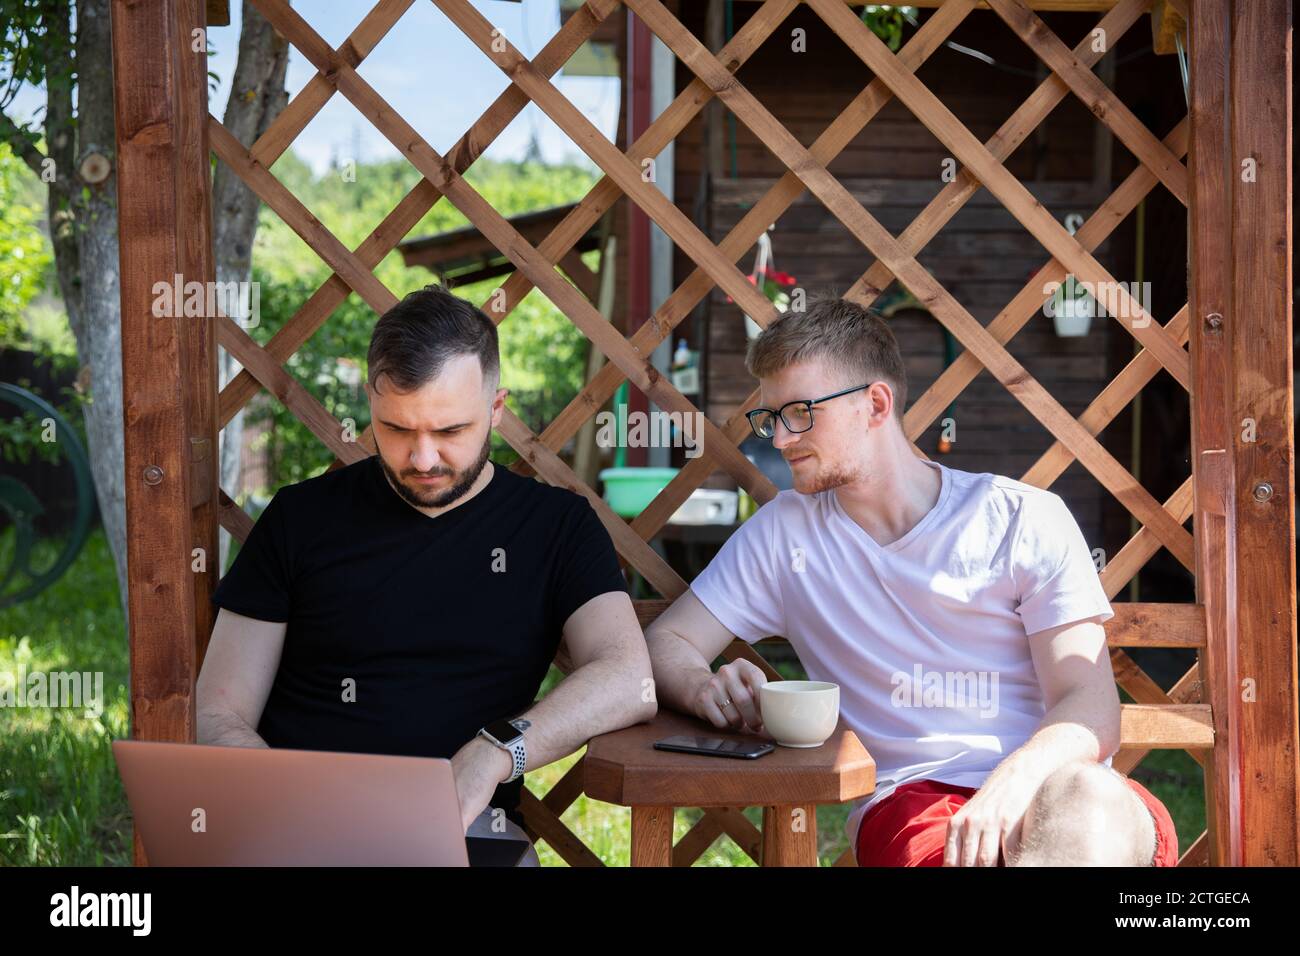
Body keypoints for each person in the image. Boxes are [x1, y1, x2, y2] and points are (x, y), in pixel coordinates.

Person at [644, 295, 1177, 867]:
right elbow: (667, 642)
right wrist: (704, 689)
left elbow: (1091, 704)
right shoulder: (783, 536)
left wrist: (1010, 786)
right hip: (917, 806)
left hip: (1059, 792)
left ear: (875, 405)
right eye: (772, 418)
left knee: (1090, 796)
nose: (779, 438)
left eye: (799, 413)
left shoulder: (1023, 518)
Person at [197, 284, 655, 861]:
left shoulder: (554, 527)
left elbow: (628, 678)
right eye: (397, 429)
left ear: (496, 408)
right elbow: (217, 711)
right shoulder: (299, 519)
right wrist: (284, 798)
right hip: (297, 832)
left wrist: (494, 752)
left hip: (460, 832)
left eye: (449, 431)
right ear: (370, 404)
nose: (423, 459)